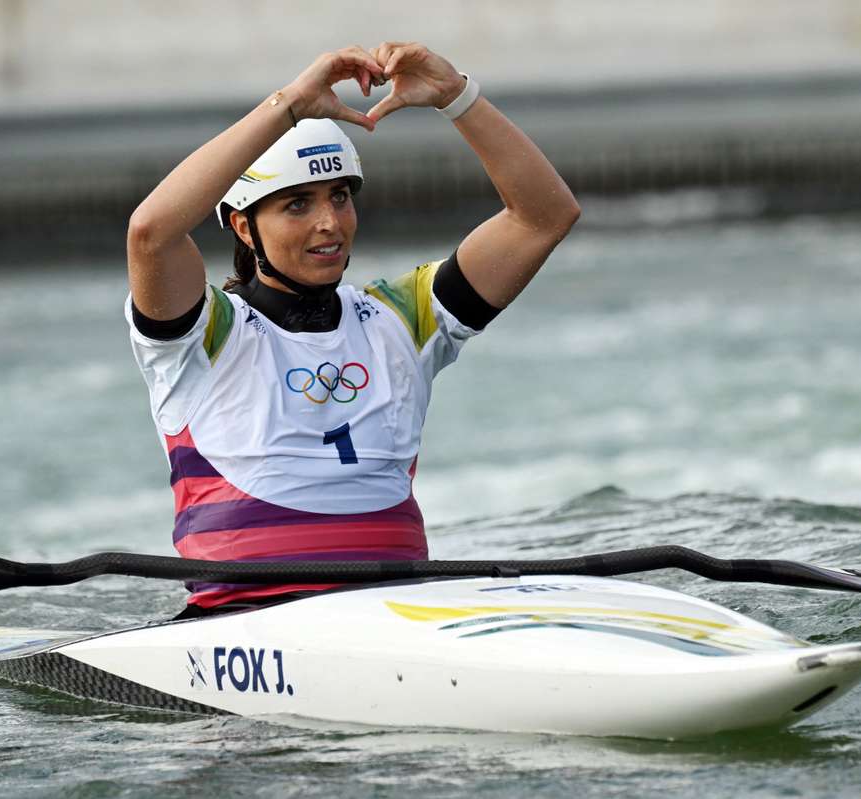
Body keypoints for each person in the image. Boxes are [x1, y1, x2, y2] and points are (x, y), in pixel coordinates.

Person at [126, 42, 580, 616]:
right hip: (241, 621)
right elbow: (151, 234)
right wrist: (290, 105)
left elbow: (544, 218)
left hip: (392, 612)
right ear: (243, 227)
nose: (329, 223)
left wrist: (457, 98)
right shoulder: (201, 334)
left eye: (339, 196)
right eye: (296, 205)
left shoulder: (405, 317)